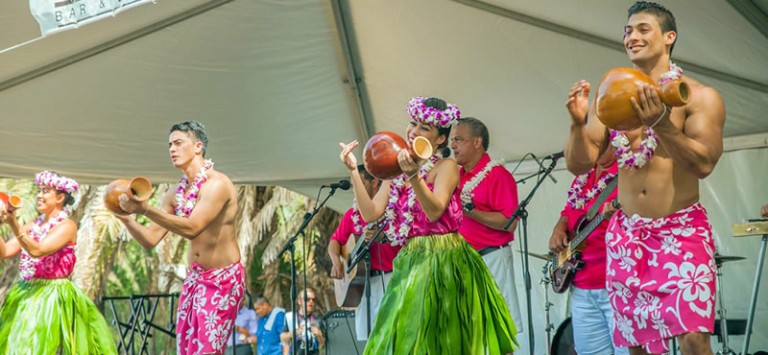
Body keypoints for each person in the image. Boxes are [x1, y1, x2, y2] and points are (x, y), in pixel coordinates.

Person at [564, 2, 725, 354]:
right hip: (627, 235)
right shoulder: (611, 98)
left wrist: (661, 124)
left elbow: (704, 163)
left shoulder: (699, 96)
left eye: (642, 29)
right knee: (637, 345)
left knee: (693, 338)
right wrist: (577, 124)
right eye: (627, 31)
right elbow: (579, 164)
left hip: (680, 232)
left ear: (669, 37)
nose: (631, 37)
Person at [339, 96, 517, 354]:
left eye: (425, 127)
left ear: (441, 138)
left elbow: (434, 211)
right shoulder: (396, 171)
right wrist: (353, 172)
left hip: (447, 259)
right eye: (413, 123)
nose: (414, 131)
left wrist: (414, 176)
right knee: (410, 338)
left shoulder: (447, 167)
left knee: (450, 338)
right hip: (411, 259)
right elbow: (371, 213)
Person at [116, 121, 245, 354]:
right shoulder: (174, 194)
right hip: (194, 280)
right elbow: (150, 239)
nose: (172, 149)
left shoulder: (217, 185)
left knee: (207, 351)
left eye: (178, 143)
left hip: (222, 280)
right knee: (186, 350)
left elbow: (192, 228)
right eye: (169, 145)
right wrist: (126, 218)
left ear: (198, 147)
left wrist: (144, 209)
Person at [0, 171, 117, 354]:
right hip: (27, 291)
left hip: (54, 294)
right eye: (39, 190)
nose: (39, 195)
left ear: (60, 197)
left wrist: (14, 223)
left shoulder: (67, 226)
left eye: (45, 191)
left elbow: (38, 250)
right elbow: (5, 252)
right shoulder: (32, 226)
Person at [548, 147, 628, 355]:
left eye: (601, 142)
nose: (595, 148)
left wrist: (619, 217)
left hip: (618, 285)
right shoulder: (583, 176)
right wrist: (559, 228)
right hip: (581, 285)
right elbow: (569, 211)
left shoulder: (628, 173)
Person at [450, 116, 524, 333]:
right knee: (470, 331)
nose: (452, 145)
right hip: (461, 261)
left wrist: (470, 211)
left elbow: (509, 223)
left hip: (491, 258)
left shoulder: (498, 175)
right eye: (452, 140)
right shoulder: (455, 176)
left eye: (458, 140)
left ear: (477, 142)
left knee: (498, 329)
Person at [328, 164, 402, 340]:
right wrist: (336, 261)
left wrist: (382, 236)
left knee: (391, 335)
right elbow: (334, 241)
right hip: (363, 285)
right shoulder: (352, 215)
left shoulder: (393, 209)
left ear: (375, 182)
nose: (355, 189)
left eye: (359, 183)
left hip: (391, 279)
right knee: (367, 339)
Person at [280, 288, 324, 355]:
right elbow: (282, 338)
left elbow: (323, 345)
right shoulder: (290, 317)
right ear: (299, 301)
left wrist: (319, 335)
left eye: (313, 300)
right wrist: (293, 333)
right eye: (307, 299)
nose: (311, 302)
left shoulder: (318, 318)